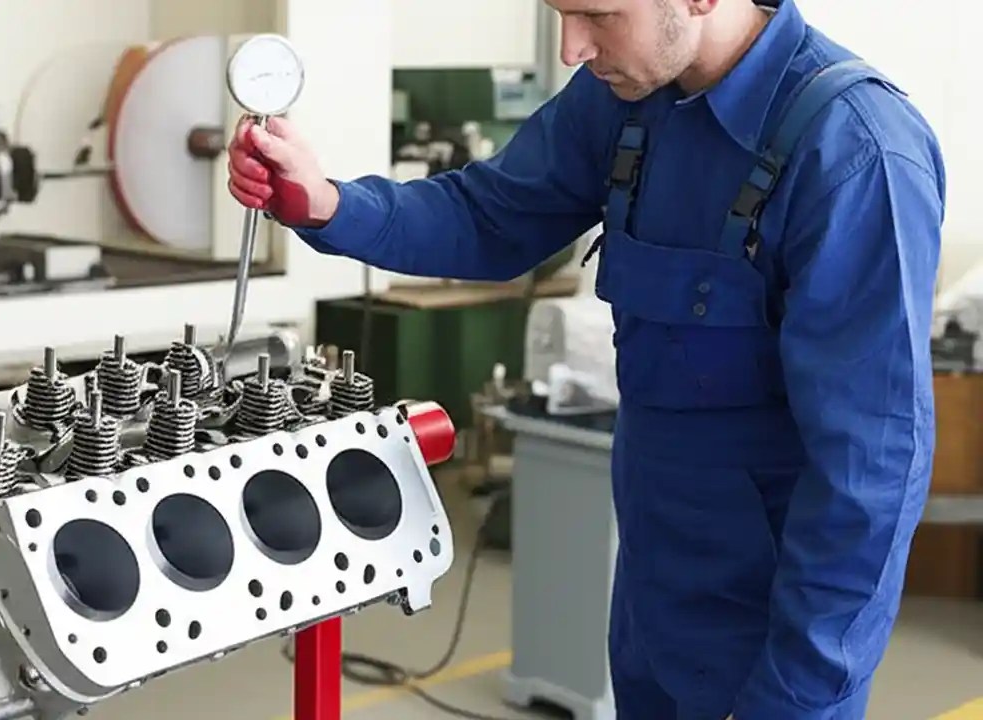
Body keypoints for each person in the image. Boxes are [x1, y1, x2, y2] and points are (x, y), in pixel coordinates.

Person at [227, 0, 944, 718]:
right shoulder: (627, 100)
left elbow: (870, 475)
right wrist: (326, 204)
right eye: (560, 12)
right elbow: (491, 215)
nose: (571, 48)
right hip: (650, 611)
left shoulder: (854, 155)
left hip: (774, 649)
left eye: (597, 14)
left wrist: (792, 697)